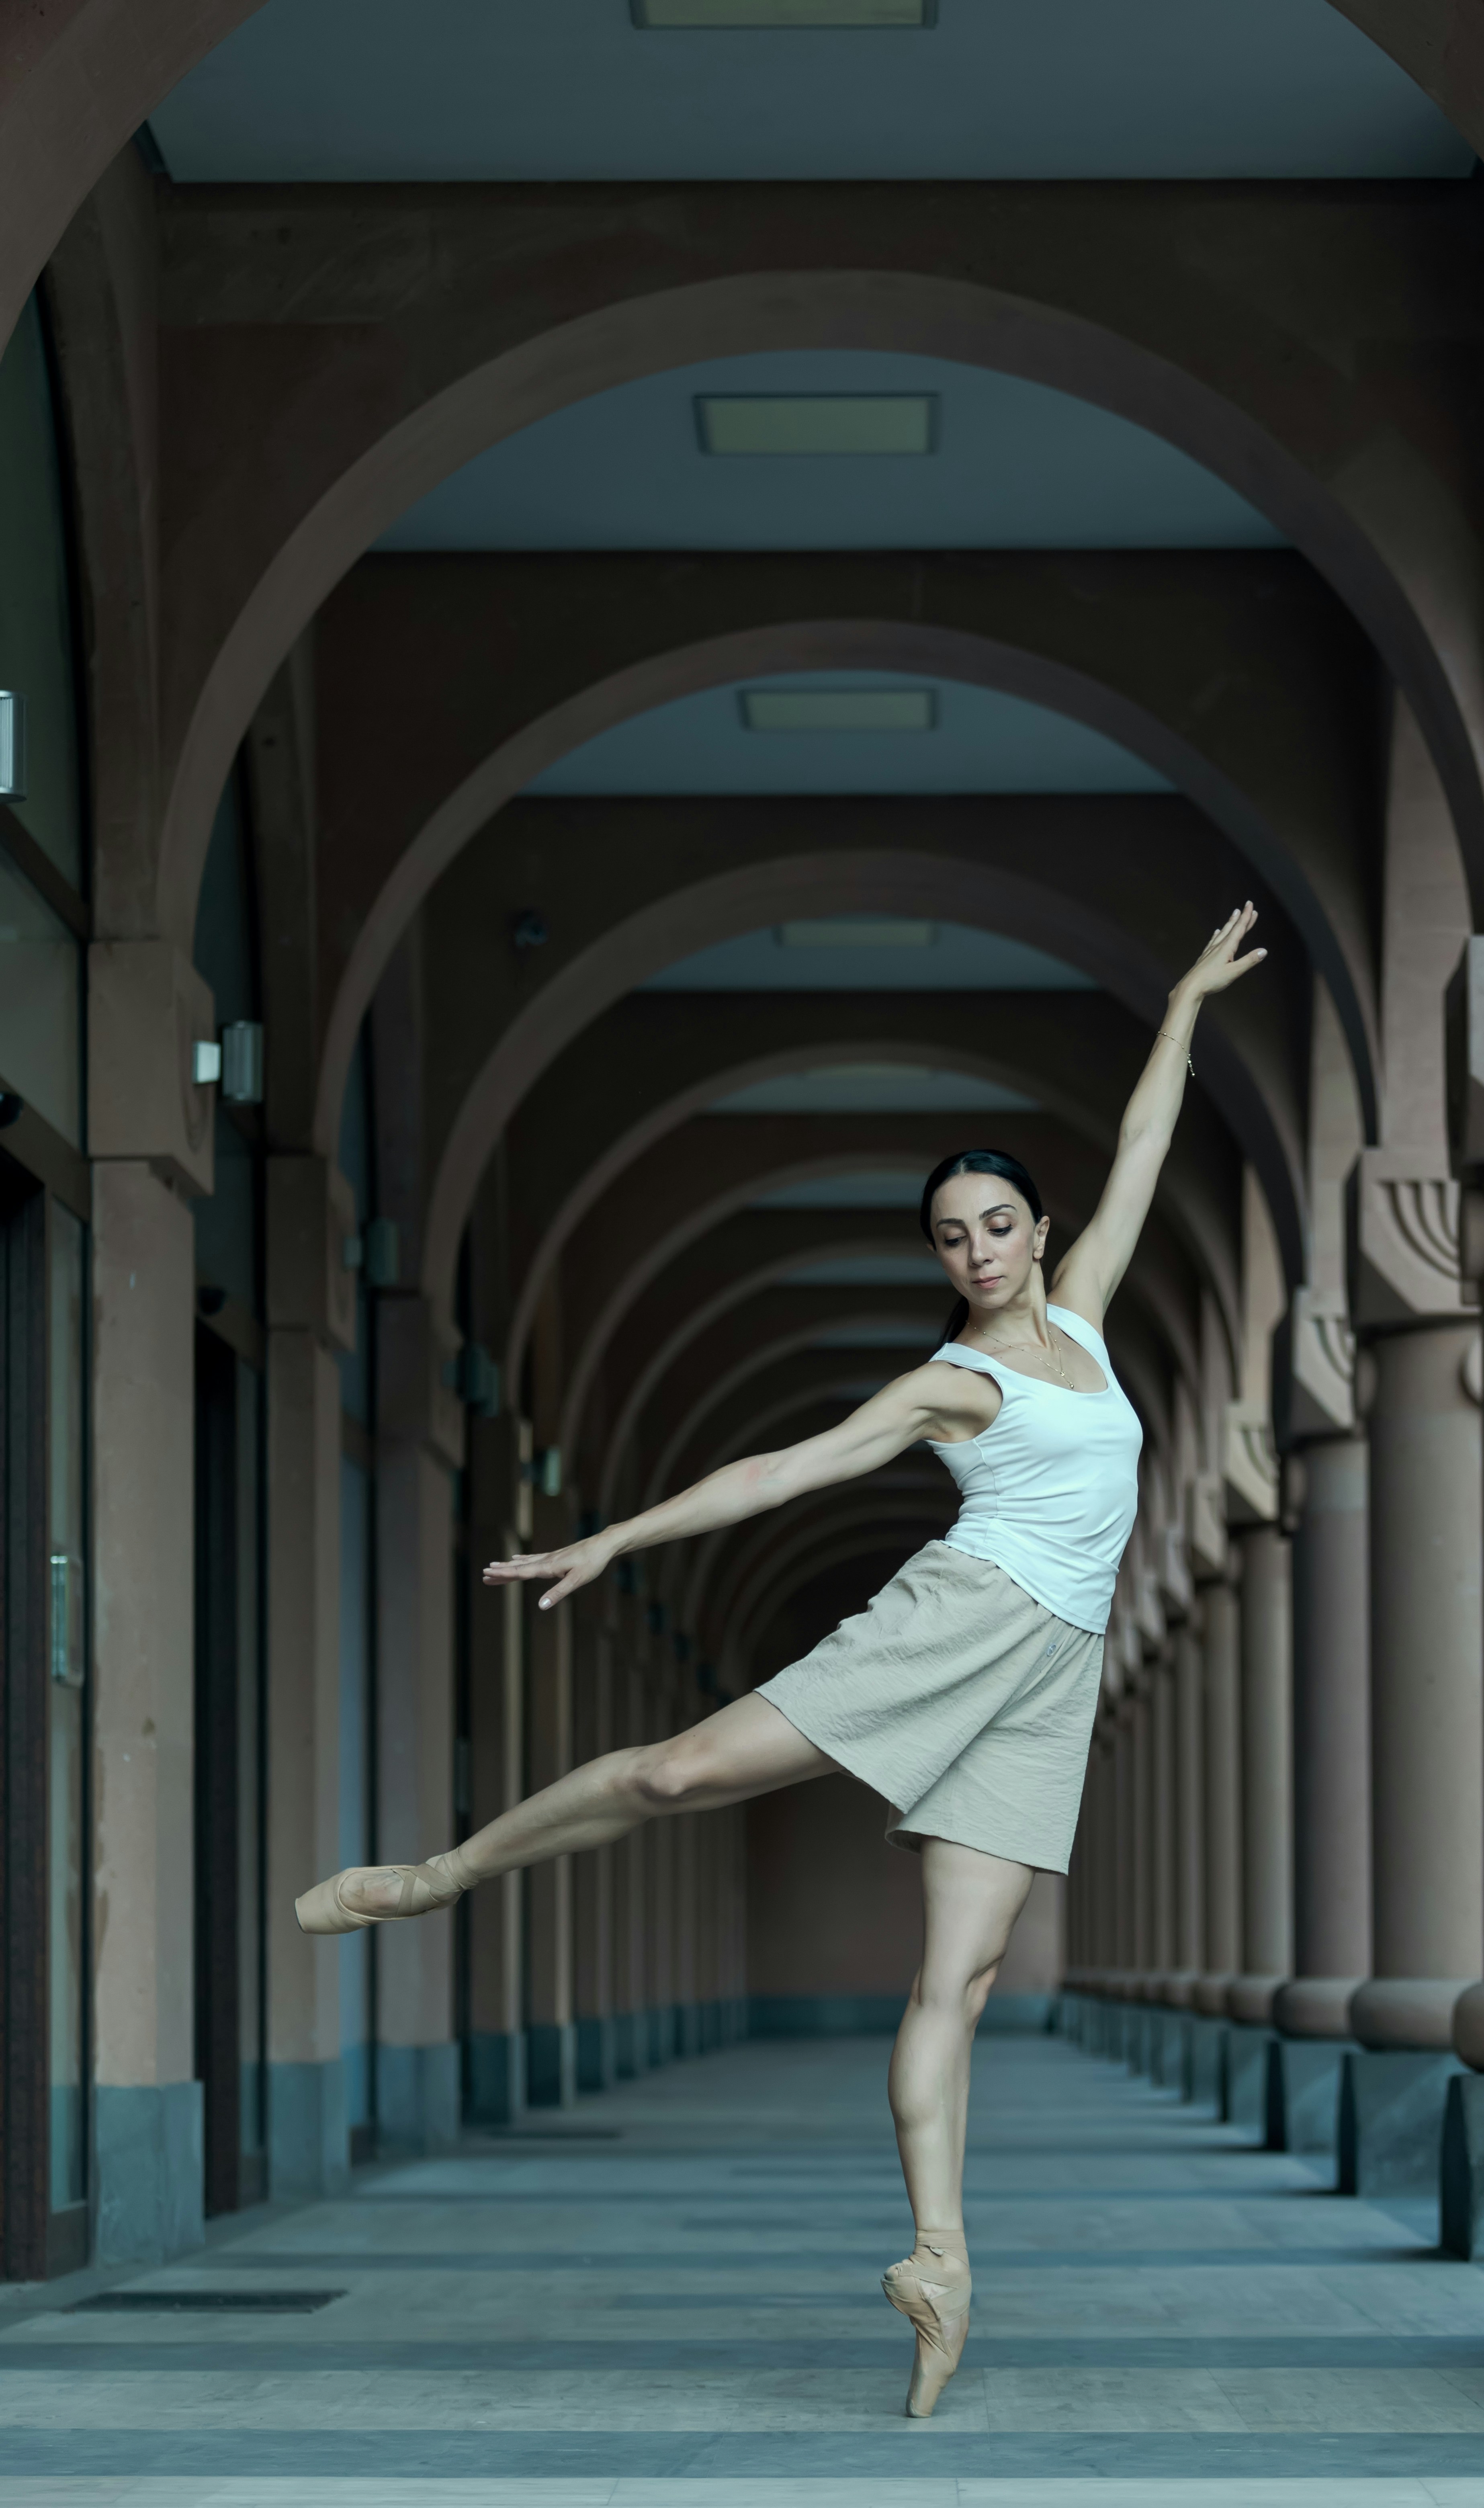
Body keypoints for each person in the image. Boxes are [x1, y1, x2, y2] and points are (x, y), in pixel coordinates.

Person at [296, 903, 1266, 2415]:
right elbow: (779, 1474)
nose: (979, 1249)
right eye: (951, 1236)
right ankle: (435, 1878)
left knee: (964, 1974)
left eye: (997, 1224)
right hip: (958, 1621)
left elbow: (1144, 1147)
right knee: (684, 1771)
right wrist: (611, 1539)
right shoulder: (955, 1376)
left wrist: (1188, 1007)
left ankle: (939, 2267)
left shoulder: (1086, 1320)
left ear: (1037, 1229)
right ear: (942, 1258)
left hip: (1054, 1670)